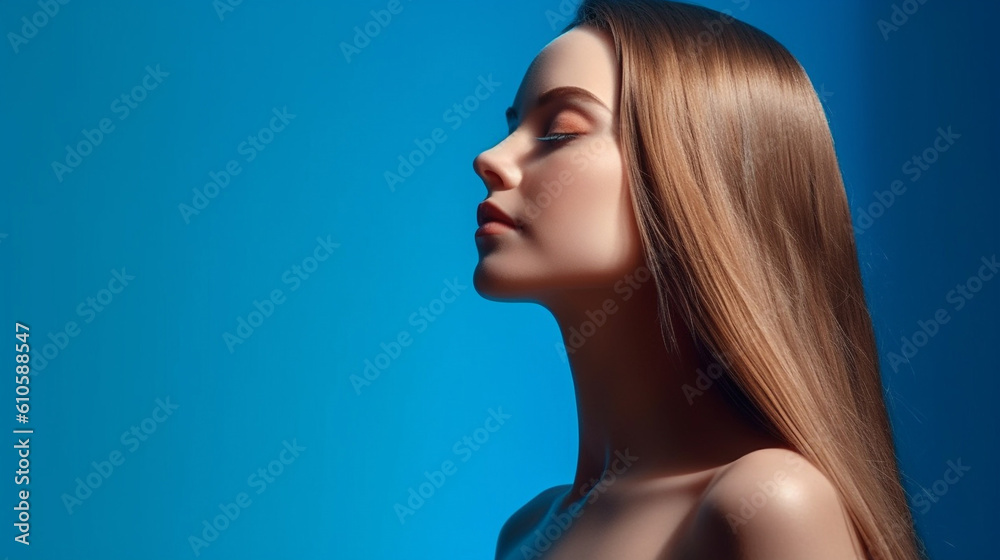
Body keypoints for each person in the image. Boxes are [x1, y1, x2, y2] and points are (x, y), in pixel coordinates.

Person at [470, 1, 926, 559]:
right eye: (514, 126)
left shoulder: (769, 505)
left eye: (560, 130)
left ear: (693, 176)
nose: (489, 158)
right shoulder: (525, 532)